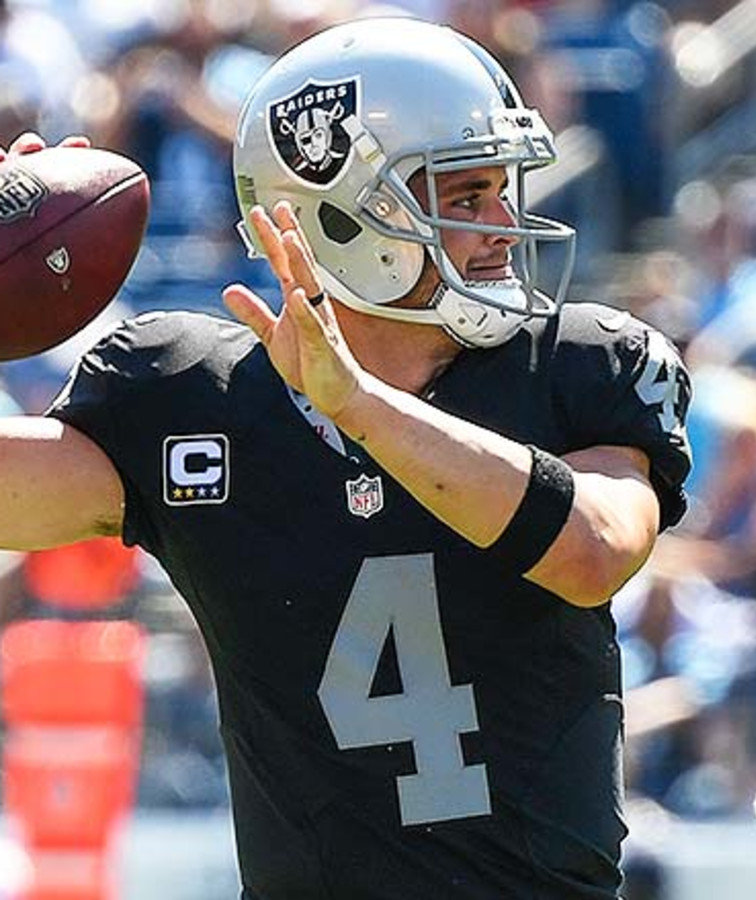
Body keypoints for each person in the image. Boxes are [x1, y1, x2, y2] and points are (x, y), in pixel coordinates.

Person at [0, 16, 691, 900]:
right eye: (464, 195)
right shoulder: (190, 394)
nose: (502, 226)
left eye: (501, 190)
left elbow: (595, 550)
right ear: (344, 215)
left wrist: (361, 409)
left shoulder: (572, 365)